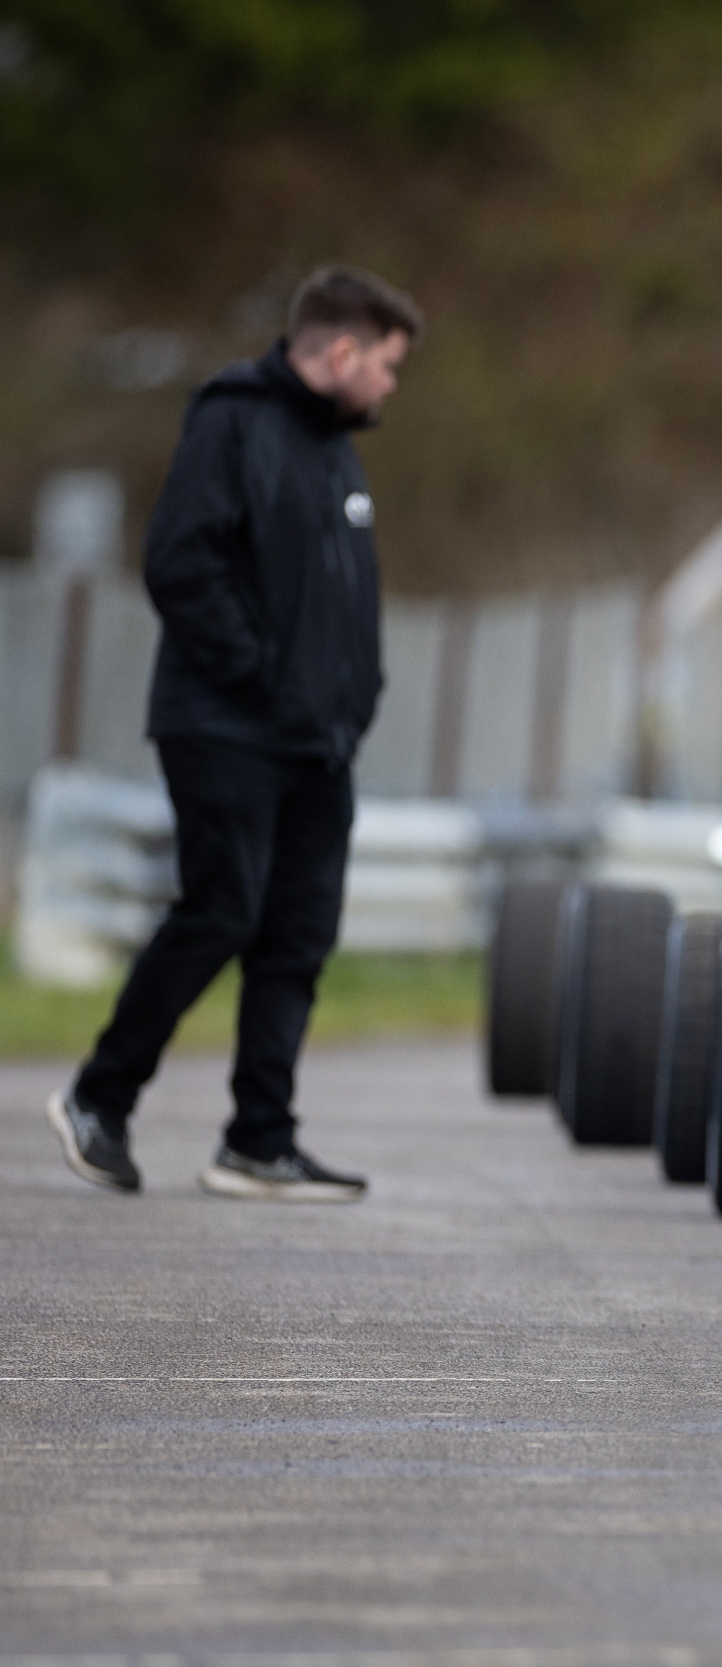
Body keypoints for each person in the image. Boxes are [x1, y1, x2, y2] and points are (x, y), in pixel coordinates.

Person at [45, 265, 420, 1202]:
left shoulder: (336, 449)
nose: (390, 384)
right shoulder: (232, 420)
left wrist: (350, 698)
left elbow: (340, 603)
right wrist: (267, 679)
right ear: (341, 351)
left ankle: (259, 1139)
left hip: (316, 742)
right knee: (222, 910)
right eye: (385, 363)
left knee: (296, 934)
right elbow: (180, 564)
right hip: (226, 727)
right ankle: (100, 1096)